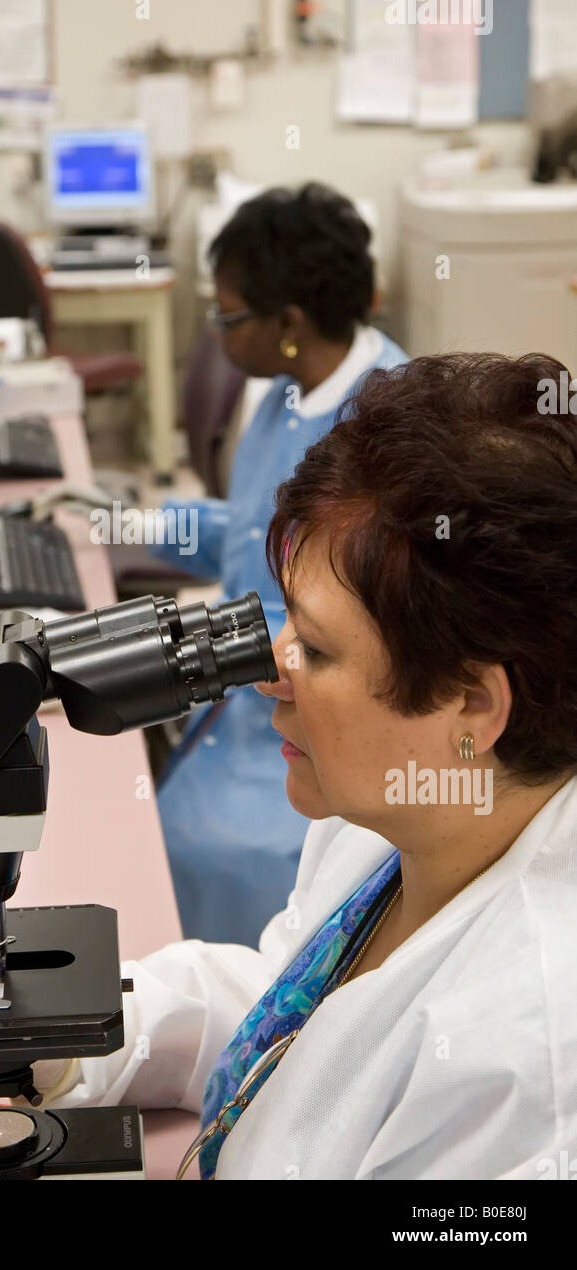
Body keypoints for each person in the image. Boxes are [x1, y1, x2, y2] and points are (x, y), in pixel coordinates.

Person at [41, 352, 577, 1180]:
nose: (269, 670)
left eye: (317, 649)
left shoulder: (514, 1066)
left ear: (473, 704)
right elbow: (295, 1017)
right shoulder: (408, 812)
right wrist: (66, 1045)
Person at [149, 182, 407, 945]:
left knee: (194, 844)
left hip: (324, 711)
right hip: (249, 689)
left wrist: (167, 644)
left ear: (288, 322)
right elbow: (256, 534)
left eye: (227, 317)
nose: (216, 334)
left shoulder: (379, 429)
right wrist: (131, 523)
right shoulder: (289, 393)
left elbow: (357, 630)